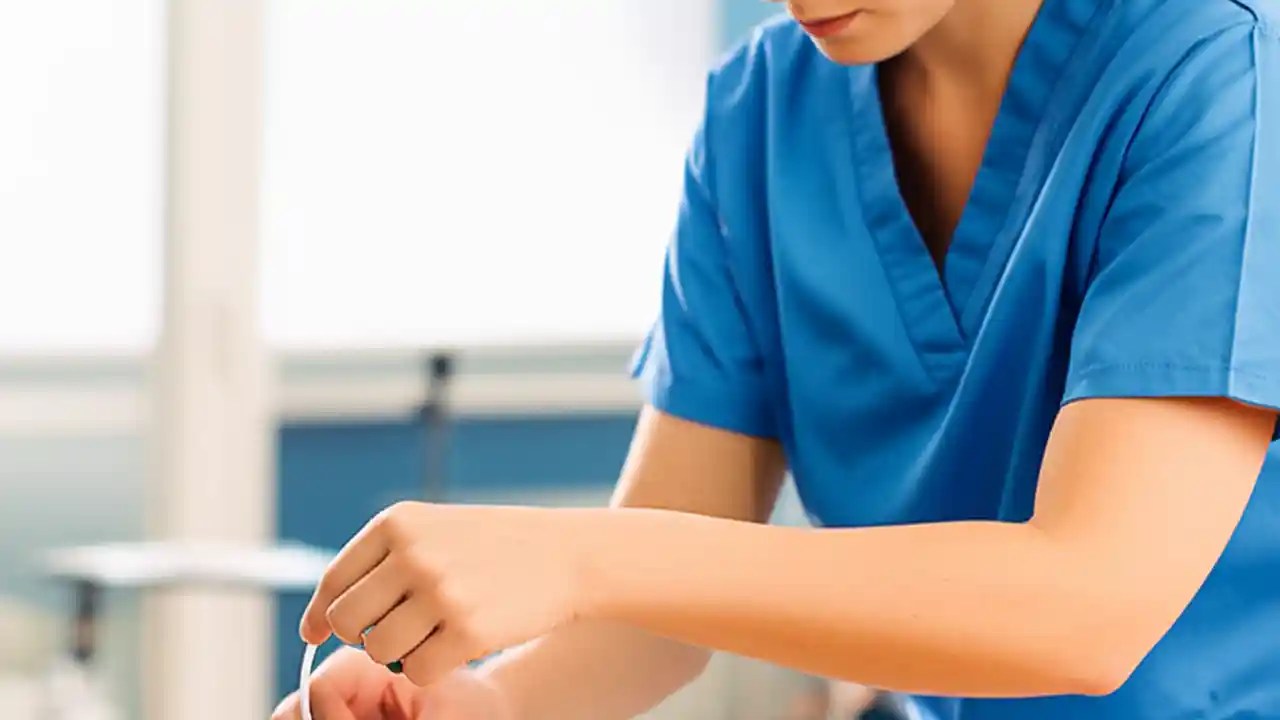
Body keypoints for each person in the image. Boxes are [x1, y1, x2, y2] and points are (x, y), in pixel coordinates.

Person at [272, 0, 1280, 717]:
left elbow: (1088, 609)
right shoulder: (761, 115)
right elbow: (660, 608)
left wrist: (574, 557)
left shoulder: (1216, 82)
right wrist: (490, 701)